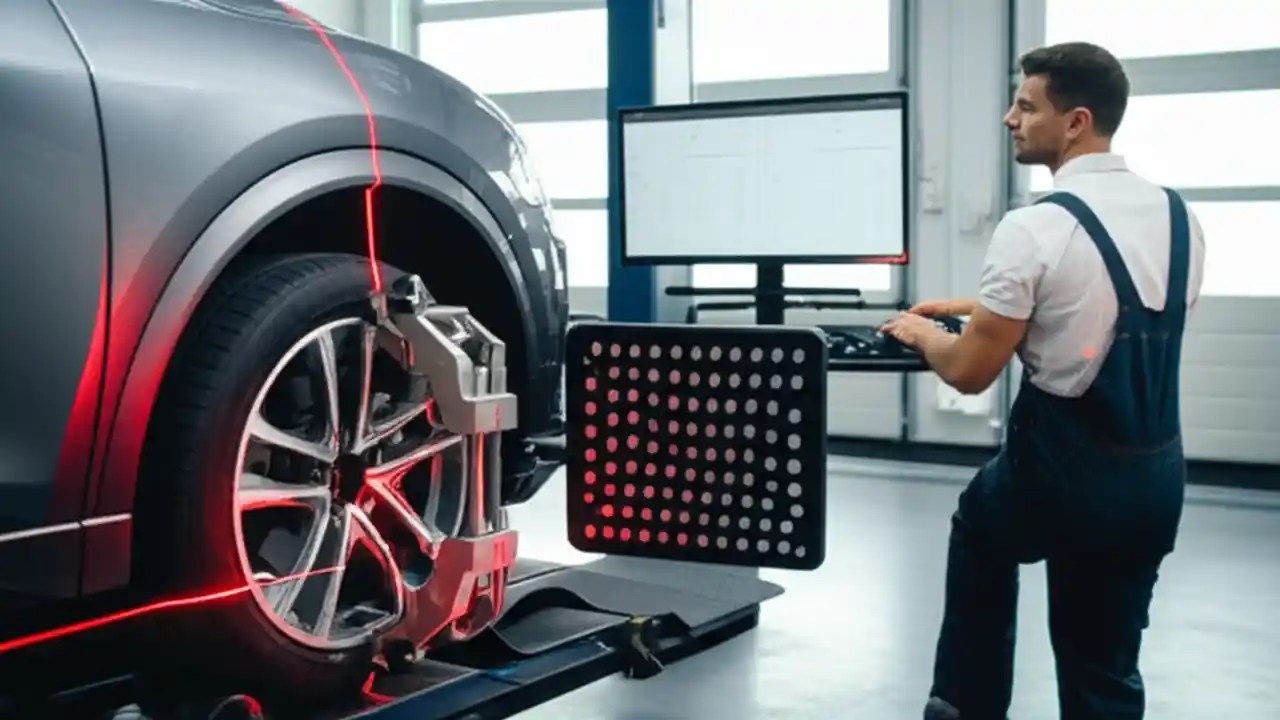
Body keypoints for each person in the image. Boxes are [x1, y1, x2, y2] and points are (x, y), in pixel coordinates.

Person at [880, 41, 1205, 719]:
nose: (1009, 118)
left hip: (1060, 476)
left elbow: (969, 372)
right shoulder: (1182, 219)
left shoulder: (1033, 228)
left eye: (1026, 106)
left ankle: (964, 706)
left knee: (979, 527)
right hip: (1152, 484)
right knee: (1104, 664)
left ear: (1077, 122)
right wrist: (974, 307)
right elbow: (1106, 311)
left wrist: (923, 333)